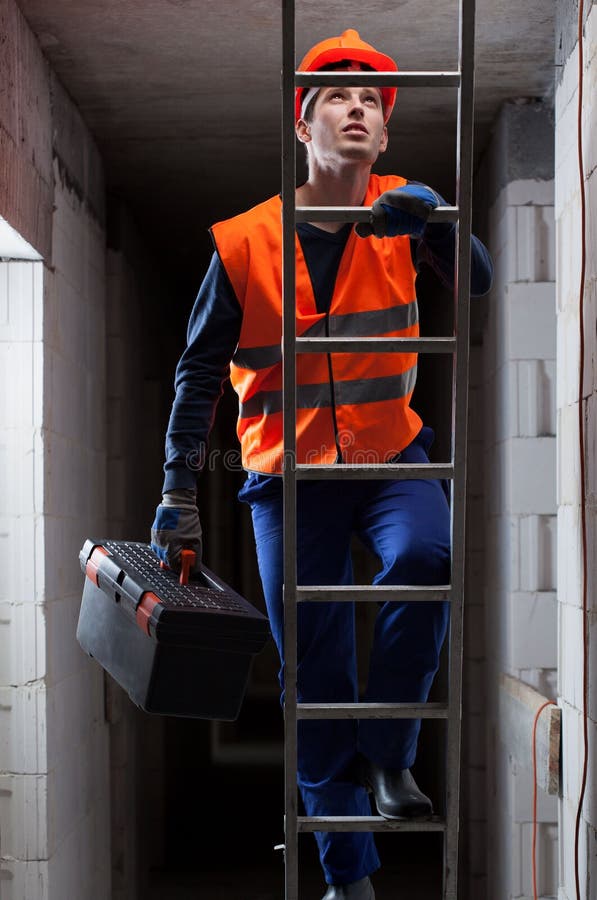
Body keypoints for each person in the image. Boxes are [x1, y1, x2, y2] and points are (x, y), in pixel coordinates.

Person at [151, 29, 492, 900]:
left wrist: (440, 221)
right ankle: (348, 875)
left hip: (388, 457)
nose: (358, 110)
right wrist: (177, 489)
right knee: (317, 668)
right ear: (303, 126)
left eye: (373, 103)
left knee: (426, 559)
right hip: (285, 478)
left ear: (383, 133)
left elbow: (479, 284)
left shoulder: (406, 212)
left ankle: (389, 762)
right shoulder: (245, 242)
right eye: (338, 99)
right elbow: (198, 372)